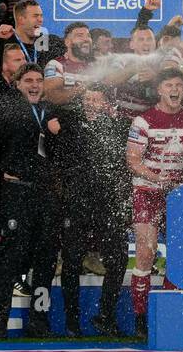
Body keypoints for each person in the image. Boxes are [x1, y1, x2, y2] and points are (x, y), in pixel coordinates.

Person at [0, 63, 63, 339]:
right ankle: (0, 322)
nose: (34, 84)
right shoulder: (9, 110)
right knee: (12, 256)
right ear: (17, 84)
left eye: (38, 80)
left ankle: (38, 323)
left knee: (46, 258)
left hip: (47, 193)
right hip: (17, 191)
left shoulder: (50, 110)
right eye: (28, 80)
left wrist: (57, 130)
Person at [126, 68, 183, 338]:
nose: (175, 89)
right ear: (159, 90)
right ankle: (140, 318)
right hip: (147, 191)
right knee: (146, 253)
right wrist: (159, 178)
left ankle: (170, 315)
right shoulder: (143, 121)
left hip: (177, 196)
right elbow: (133, 161)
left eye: (179, 85)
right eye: (169, 84)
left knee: (179, 256)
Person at [54, 85, 131, 337]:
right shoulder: (68, 124)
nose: (91, 103)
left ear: (107, 103)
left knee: (118, 259)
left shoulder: (118, 128)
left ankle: (106, 316)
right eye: (87, 98)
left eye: (96, 99)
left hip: (107, 202)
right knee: (72, 260)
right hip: (76, 202)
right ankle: (72, 321)